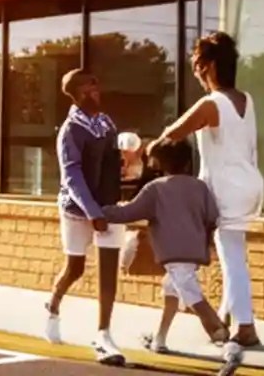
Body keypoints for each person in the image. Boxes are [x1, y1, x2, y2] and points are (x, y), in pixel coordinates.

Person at [151, 31, 264, 348]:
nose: (197, 73)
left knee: (230, 258)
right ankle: (227, 316)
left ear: (210, 65)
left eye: (198, 65)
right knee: (232, 254)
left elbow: (172, 134)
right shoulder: (245, 99)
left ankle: (246, 326)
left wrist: (151, 149)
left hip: (226, 188)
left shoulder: (211, 103)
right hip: (249, 184)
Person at [102, 139, 242, 370]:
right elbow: (212, 216)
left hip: (172, 250)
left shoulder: (155, 188)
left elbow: (129, 212)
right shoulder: (200, 187)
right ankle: (160, 339)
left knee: (188, 289)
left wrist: (101, 211)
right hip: (194, 249)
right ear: (188, 163)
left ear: (160, 163)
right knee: (171, 287)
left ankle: (221, 336)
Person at [45, 68, 125, 366]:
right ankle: (53, 303)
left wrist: (129, 163)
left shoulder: (107, 124)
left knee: (108, 269)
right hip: (78, 210)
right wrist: (92, 212)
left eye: (97, 84)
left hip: (108, 206)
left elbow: (113, 162)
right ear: (78, 93)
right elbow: (72, 176)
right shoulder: (70, 130)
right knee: (75, 267)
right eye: (92, 86)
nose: (97, 89)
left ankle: (103, 334)